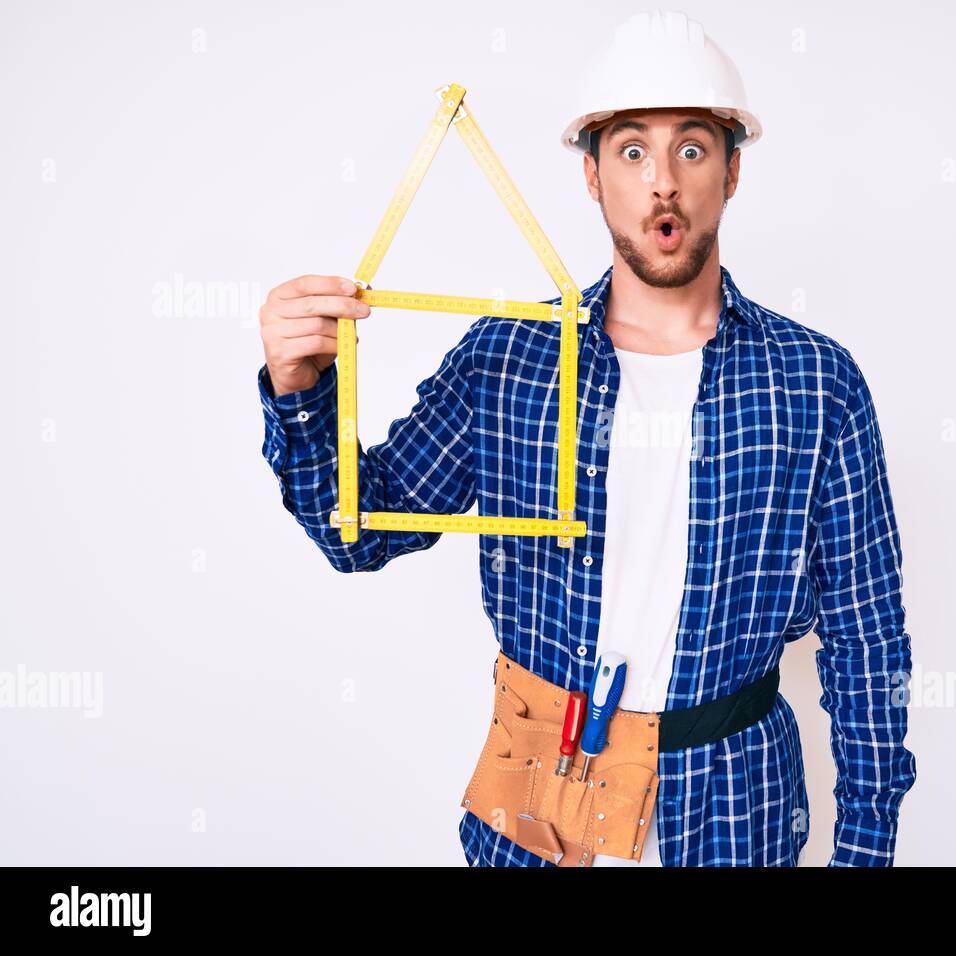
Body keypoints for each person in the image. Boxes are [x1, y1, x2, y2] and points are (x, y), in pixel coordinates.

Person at [256, 10, 917, 867]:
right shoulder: (508, 358)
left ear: (733, 170)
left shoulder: (816, 382)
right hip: (532, 811)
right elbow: (356, 531)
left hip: (732, 818)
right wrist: (298, 388)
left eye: (692, 148)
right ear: (593, 177)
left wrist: (866, 851)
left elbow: (870, 643)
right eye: (632, 151)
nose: (663, 184)